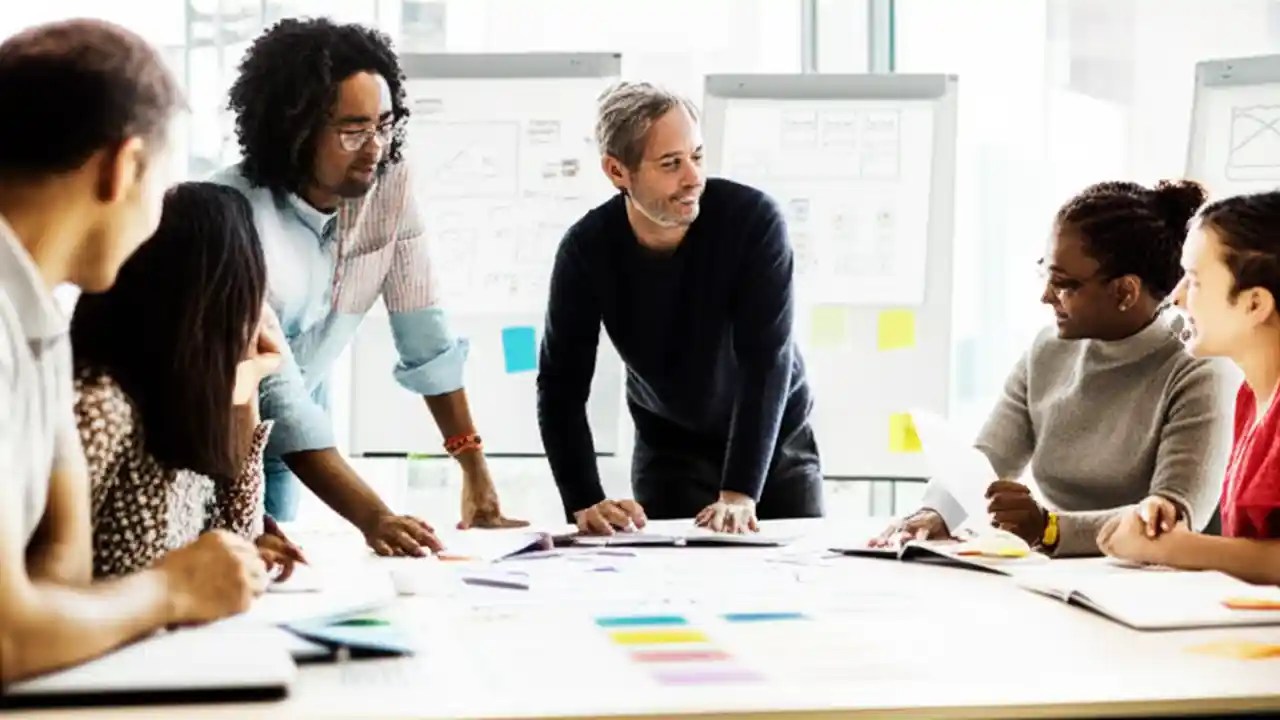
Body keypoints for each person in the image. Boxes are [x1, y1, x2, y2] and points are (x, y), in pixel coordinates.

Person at [0, 20, 266, 684]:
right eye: (162, 189)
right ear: (123, 168)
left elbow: (61, 581)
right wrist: (172, 590)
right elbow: (8, 635)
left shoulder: (38, 326)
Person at [212, 18, 525, 557]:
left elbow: (425, 333)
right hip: (216, 440)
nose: (375, 147)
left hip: (301, 443)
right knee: (236, 569)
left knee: (293, 571)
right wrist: (374, 517)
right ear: (297, 127)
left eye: (385, 124)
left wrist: (474, 472)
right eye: (353, 130)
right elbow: (274, 390)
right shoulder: (232, 212)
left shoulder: (388, 190)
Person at [878, 180, 1234, 556]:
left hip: (1155, 587)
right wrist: (935, 512)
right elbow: (987, 458)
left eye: (1064, 285)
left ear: (1125, 292)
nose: (1046, 296)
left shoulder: (1200, 371)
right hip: (1057, 573)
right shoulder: (1046, 351)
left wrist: (1049, 529)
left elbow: (1171, 519)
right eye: (1045, 273)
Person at [537, 82, 823, 536]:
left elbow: (766, 362)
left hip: (773, 443)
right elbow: (560, 387)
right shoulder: (585, 250)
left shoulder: (753, 222)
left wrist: (740, 492)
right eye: (671, 164)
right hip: (670, 448)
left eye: (697, 156)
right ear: (617, 171)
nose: (693, 178)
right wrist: (583, 498)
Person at [71, 182, 307, 580]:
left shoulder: (189, 404)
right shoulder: (99, 405)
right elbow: (32, 596)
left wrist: (243, 390)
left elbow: (233, 544)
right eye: (250, 290)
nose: (260, 312)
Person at [1100, 191, 1280, 584]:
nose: (1177, 296)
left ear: (1254, 304)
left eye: (1194, 281)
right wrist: (1164, 524)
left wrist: (1174, 549)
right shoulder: (1251, 397)